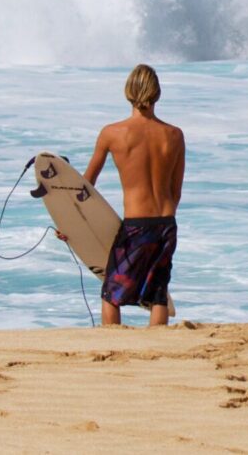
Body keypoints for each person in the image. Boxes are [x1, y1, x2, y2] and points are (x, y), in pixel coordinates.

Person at [84, 64, 185, 327]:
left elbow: (86, 187)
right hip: (166, 224)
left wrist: (70, 221)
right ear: (157, 93)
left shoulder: (112, 133)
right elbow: (176, 192)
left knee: (111, 292)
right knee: (158, 293)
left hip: (135, 227)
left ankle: (113, 344)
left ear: (128, 91)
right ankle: (157, 349)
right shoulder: (174, 135)